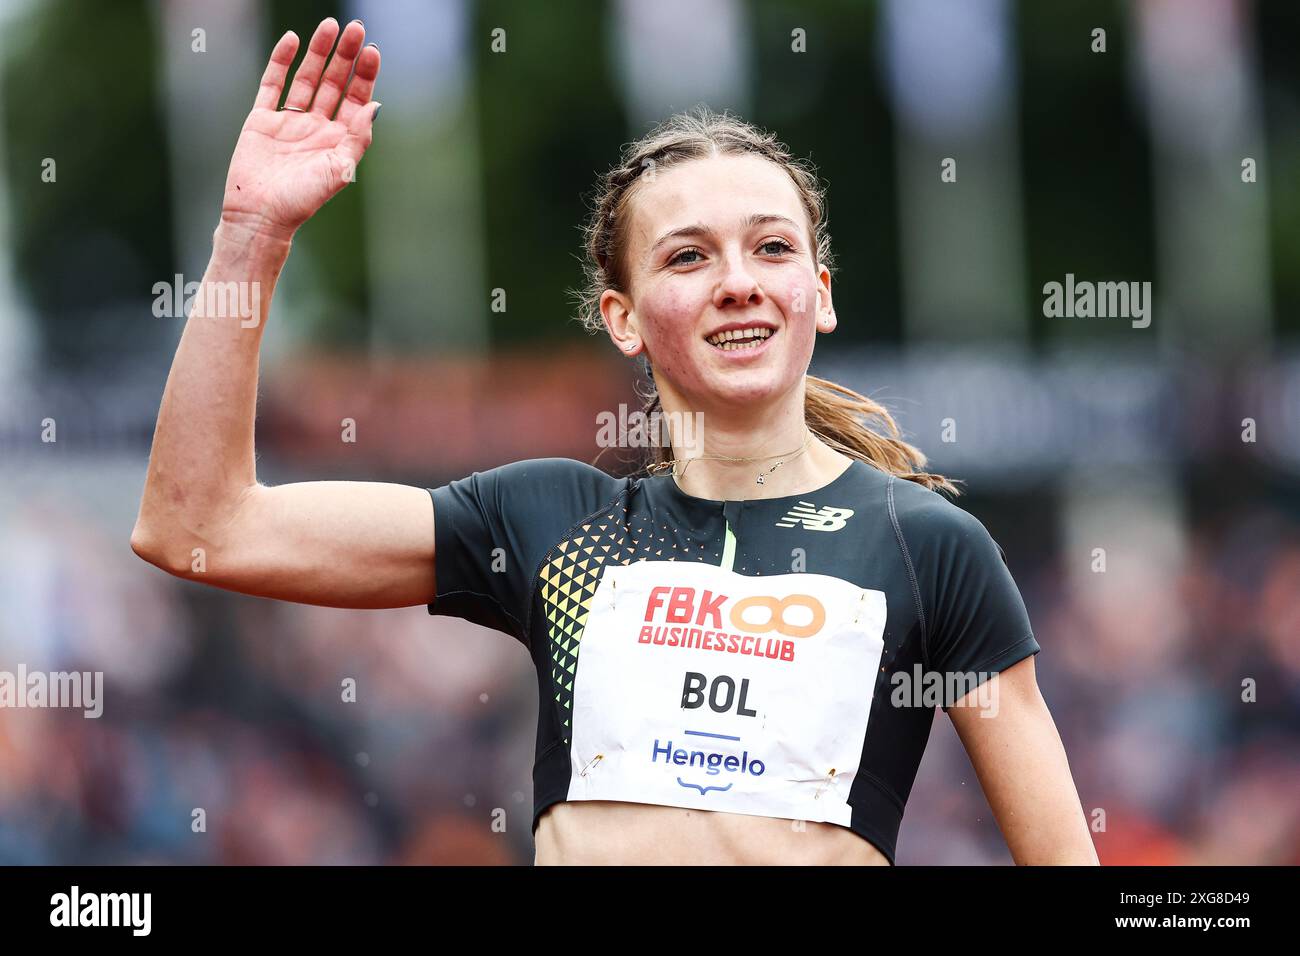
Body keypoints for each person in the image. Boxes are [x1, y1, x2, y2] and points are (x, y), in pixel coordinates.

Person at [132, 16, 1099, 866]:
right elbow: (200, 525)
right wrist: (251, 234)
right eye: (688, 256)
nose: (738, 281)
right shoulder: (550, 518)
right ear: (623, 318)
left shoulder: (928, 547)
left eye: (772, 247)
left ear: (822, 292)